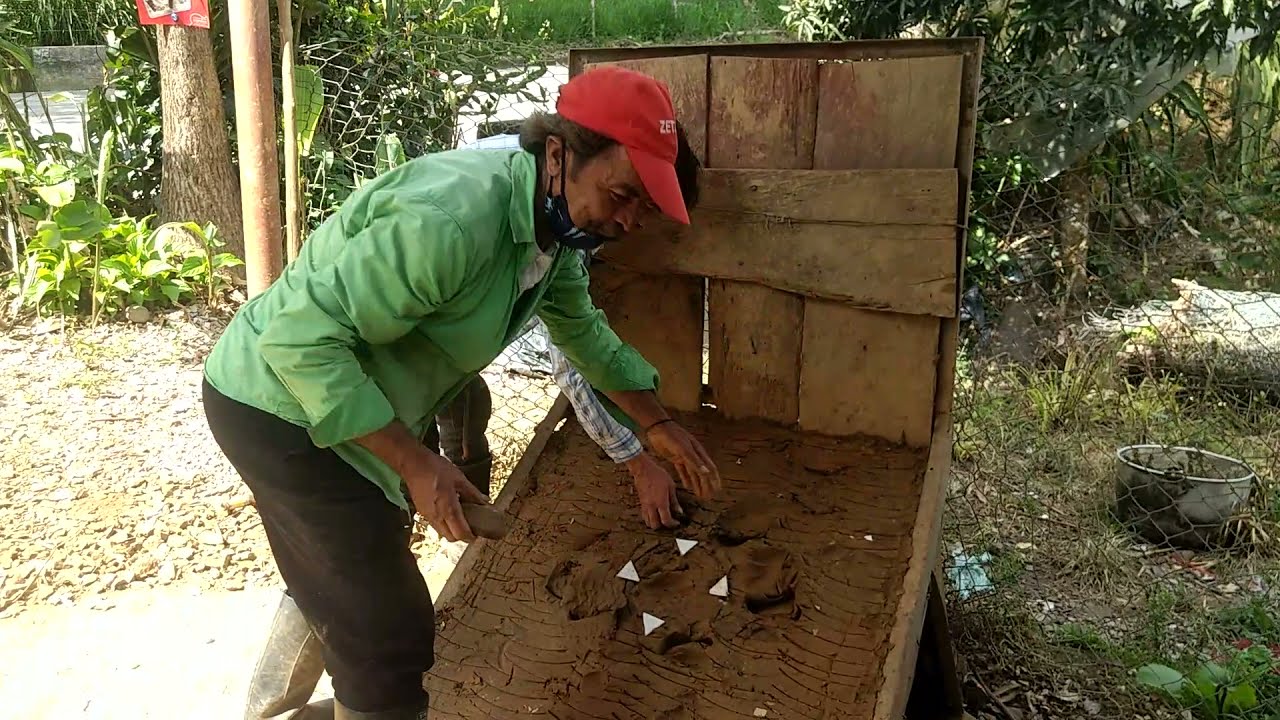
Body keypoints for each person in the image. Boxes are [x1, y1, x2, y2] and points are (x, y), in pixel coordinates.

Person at [202, 65, 722, 720]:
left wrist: (654, 423)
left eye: (644, 209)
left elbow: (584, 334)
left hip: (357, 400)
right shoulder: (451, 222)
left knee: (351, 570)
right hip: (278, 408)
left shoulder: (552, 235)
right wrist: (418, 464)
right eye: (621, 195)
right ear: (558, 154)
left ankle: (277, 709)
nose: (627, 221)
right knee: (390, 634)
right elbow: (297, 342)